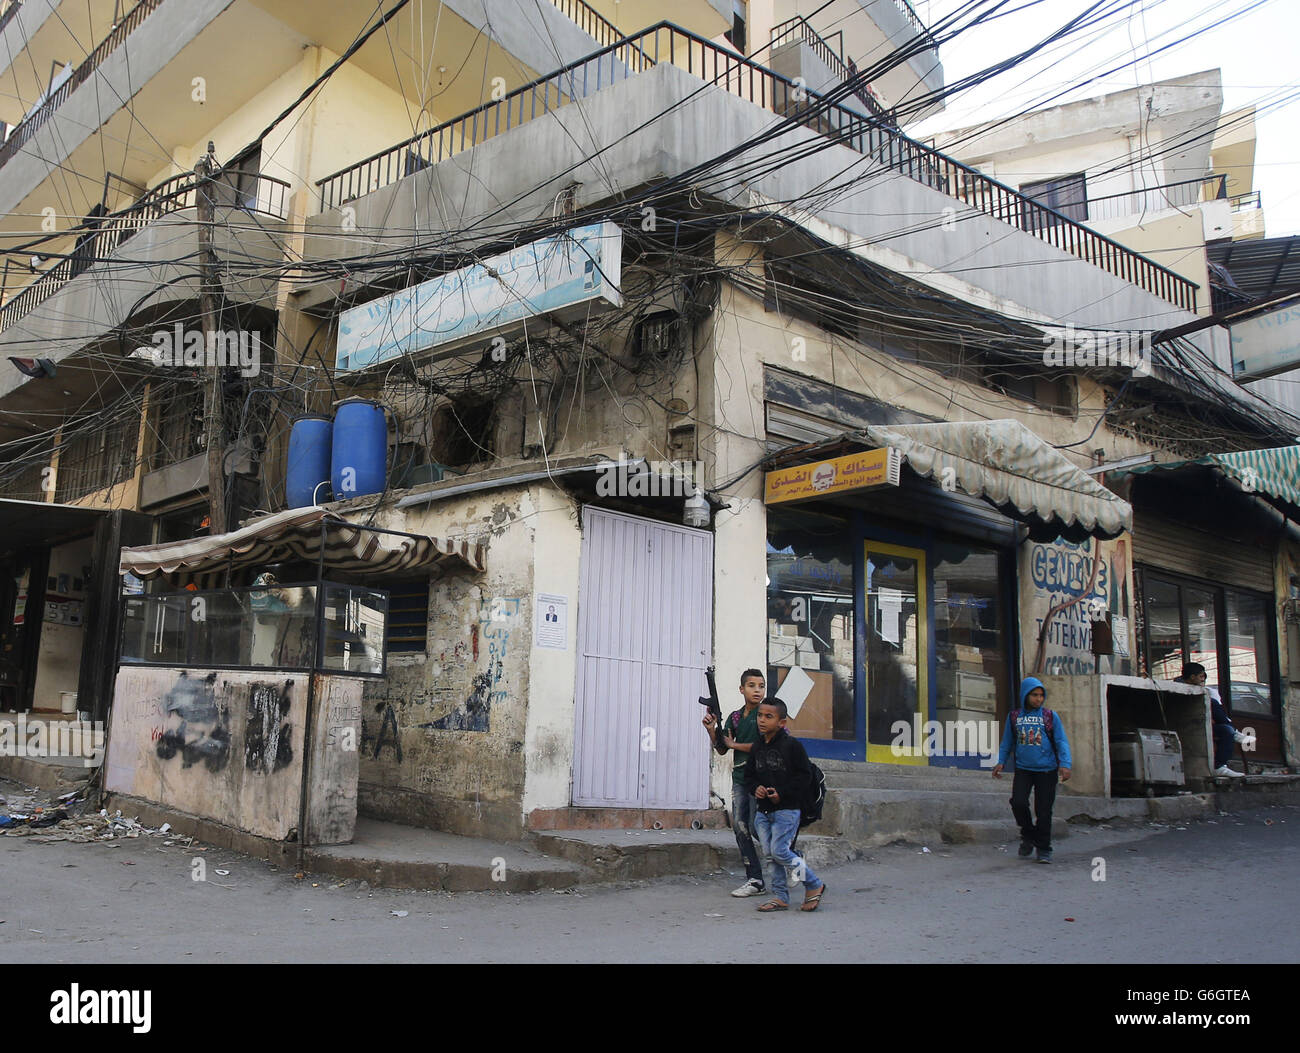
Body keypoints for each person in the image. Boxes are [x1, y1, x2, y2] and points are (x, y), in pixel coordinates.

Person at [743, 698, 827, 912]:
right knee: (770, 855)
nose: (762, 720)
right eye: (760, 715)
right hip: (763, 811)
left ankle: (814, 884)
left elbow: (804, 777)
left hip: (787, 810)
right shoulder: (757, 747)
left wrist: (782, 792)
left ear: (781, 722)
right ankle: (780, 896)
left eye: (768, 716)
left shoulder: (792, 746)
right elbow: (749, 776)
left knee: (780, 852)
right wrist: (756, 789)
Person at [703, 668, 768, 897]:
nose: (757, 690)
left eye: (761, 686)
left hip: (763, 779)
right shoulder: (736, 717)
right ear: (742, 689)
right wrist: (712, 730)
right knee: (741, 828)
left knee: (757, 828)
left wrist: (734, 746)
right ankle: (755, 879)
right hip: (741, 779)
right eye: (752, 686)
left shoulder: (767, 714)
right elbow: (722, 747)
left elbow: (764, 747)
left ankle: (790, 856)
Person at [993, 677, 1071, 864]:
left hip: (1047, 770)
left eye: (1041, 695)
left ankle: (1044, 849)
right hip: (1024, 769)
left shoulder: (1050, 716)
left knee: (1044, 811)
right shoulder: (1014, 717)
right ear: (1025, 695)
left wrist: (1065, 764)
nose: (1038, 699)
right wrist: (1001, 761)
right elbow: (1007, 742)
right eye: (1034, 695)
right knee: (1018, 802)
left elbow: (1061, 741)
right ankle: (1028, 835)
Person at [1176, 662, 1247, 777]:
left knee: (1226, 730)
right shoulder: (1180, 688)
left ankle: (1220, 766)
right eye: (1201, 676)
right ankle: (1235, 733)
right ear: (1192, 677)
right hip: (1190, 726)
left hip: (1204, 725)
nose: (1203, 679)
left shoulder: (1203, 689)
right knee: (1212, 702)